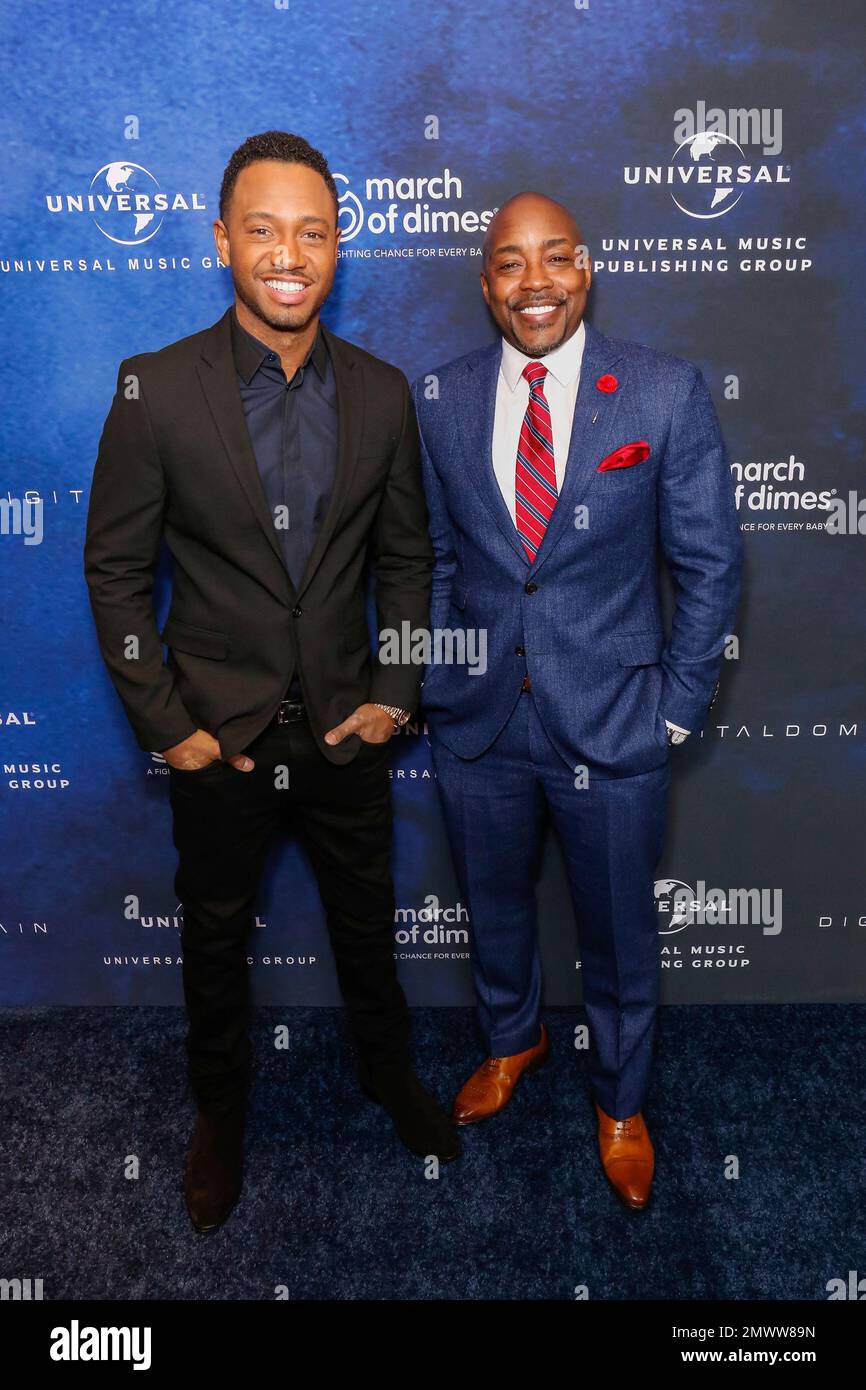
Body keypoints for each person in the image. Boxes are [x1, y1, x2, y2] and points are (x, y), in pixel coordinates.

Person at [84, 130, 459, 1235]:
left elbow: (406, 560)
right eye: (262, 229)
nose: (287, 253)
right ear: (220, 241)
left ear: (338, 246)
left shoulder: (385, 395)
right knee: (214, 938)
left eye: (311, 230)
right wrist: (169, 726)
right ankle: (219, 1115)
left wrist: (397, 691)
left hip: (347, 731)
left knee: (365, 927)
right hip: (218, 736)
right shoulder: (155, 389)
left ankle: (387, 1077)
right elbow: (112, 570)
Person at [412, 192, 742, 1209]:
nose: (534, 281)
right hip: (479, 721)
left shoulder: (660, 392)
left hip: (613, 723)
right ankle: (512, 1041)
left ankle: (619, 1099)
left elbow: (708, 563)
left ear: (585, 268)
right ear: (485, 285)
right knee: (494, 911)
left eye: (553, 257)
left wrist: (676, 709)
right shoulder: (441, 397)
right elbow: (427, 556)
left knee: (616, 932)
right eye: (509, 263)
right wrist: (434, 677)